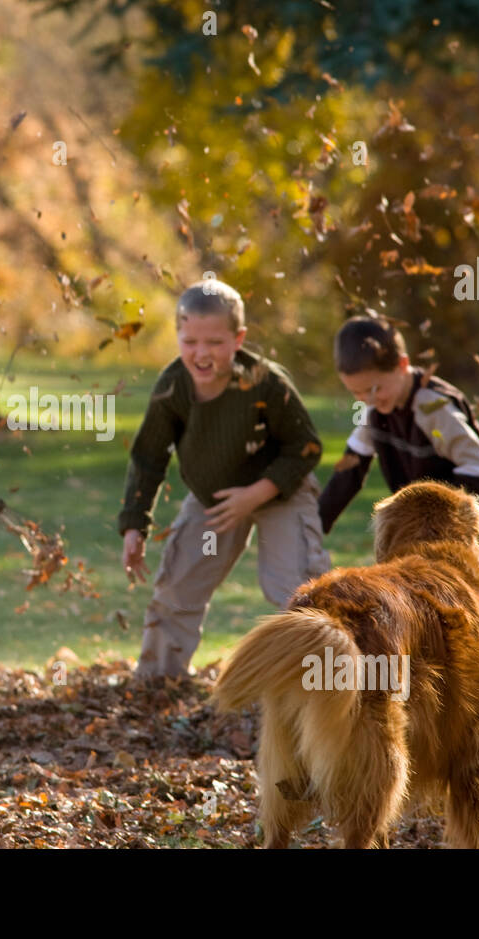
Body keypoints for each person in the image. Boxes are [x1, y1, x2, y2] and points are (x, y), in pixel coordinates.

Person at [119, 279, 332, 679]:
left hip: (278, 493)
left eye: (215, 342)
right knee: (180, 584)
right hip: (215, 504)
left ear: (239, 339)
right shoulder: (172, 387)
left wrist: (256, 494)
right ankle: (158, 683)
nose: (201, 354)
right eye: (190, 341)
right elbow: (148, 458)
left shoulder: (263, 382)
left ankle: (316, 685)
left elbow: (306, 447)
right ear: (179, 336)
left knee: (297, 590)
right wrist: (135, 524)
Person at [318, 316, 479, 693]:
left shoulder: (433, 408)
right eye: (358, 394)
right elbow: (350, 469)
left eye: (375, 389)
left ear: (402, 365)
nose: (369, 400)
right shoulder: (375, 410)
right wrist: (317, 523)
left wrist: (434, 513)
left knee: (464, 594)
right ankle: (427, 674)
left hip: (478, 517)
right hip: (425, 522)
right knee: (422, 594)